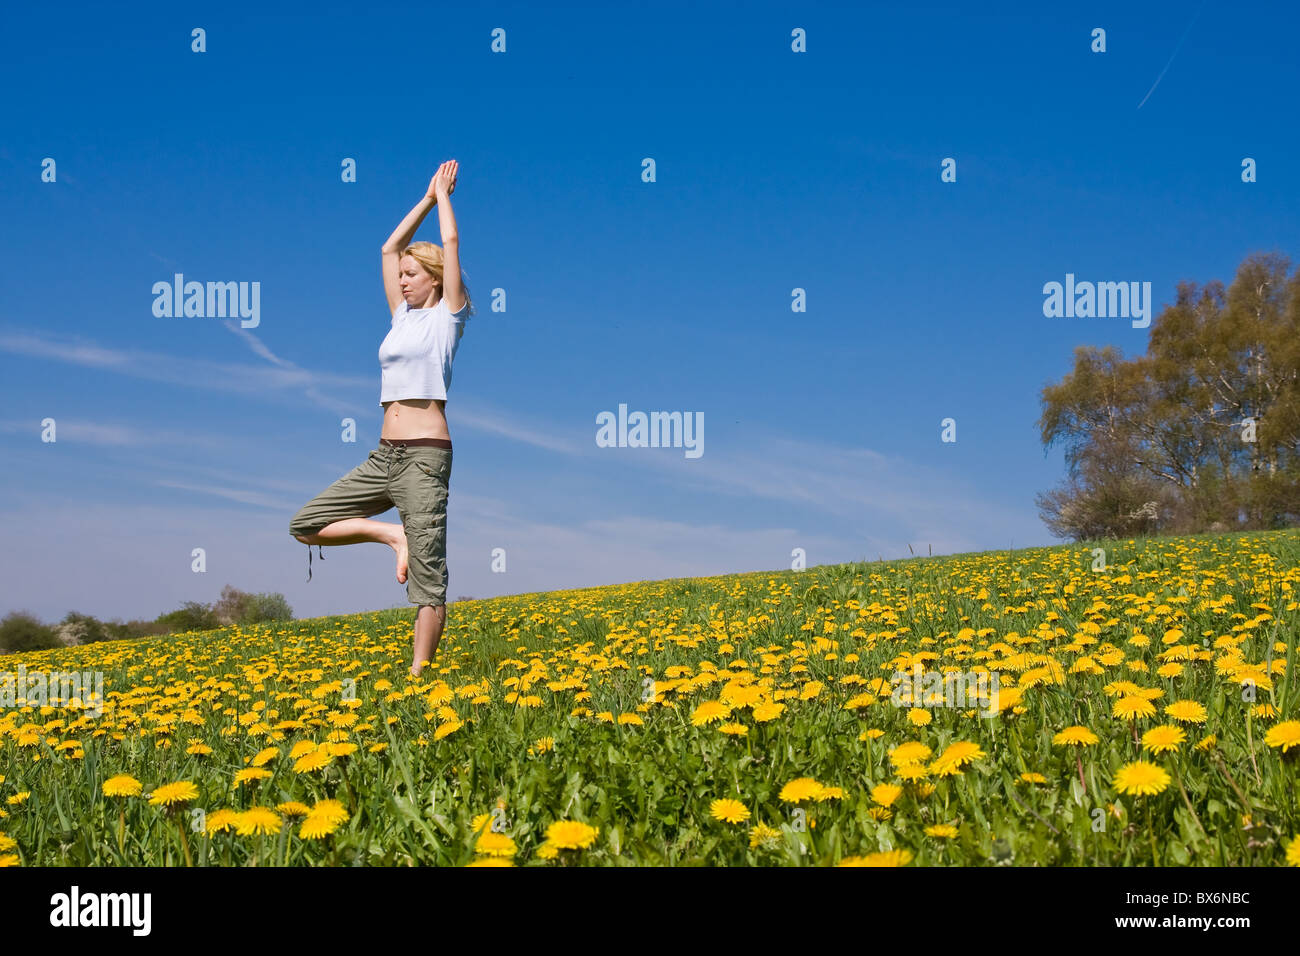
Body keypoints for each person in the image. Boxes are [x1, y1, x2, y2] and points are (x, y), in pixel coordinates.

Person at [288, 160, 472, 678]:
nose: (403, 281)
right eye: (402, 278)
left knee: (429, 580)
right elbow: (389, 249)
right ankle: (392, 536)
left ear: (434, 280)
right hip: (383, 456)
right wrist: (425, 199)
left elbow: (452, 245)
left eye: (413, 275)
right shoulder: (400, 318)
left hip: (424, 459)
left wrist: (446, 202)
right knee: (305, 525)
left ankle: (417, 680)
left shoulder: (446, 318)